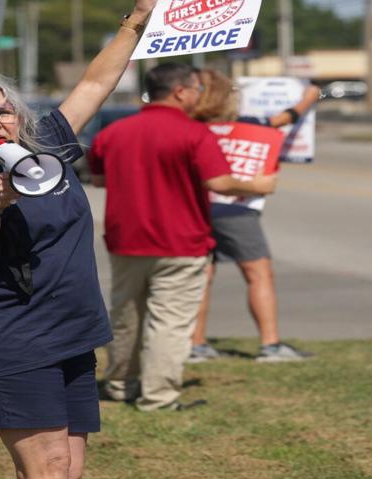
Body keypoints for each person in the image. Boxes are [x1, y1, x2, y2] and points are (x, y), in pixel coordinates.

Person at [0, 1, 161, 479]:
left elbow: (94, 85)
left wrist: (136, 21)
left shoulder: (46, 148)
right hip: (10, 340)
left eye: (2, 110)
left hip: (70, 331)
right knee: (46, 474)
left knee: (64, 472)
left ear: (18, 118)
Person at [87, 62, 278, 411]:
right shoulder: (194, 134)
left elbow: (99, 179)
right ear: (180, 91)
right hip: (181, 241)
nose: (199, 95)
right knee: (170, 322)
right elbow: (219, 182)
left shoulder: (113, 133)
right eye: (196, 89)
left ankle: (119, 385)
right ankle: (159, 396)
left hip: (126, 239)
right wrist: (258, 185)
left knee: (126, 316)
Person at [185, 70, 321, 364]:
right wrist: (308, 98)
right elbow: (283, 119)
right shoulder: (246, 125)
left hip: (196, 207)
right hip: (236, 208)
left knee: (202, 276)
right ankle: (270, 345)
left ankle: (196, 344)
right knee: (258, 272)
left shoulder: (191, 128)